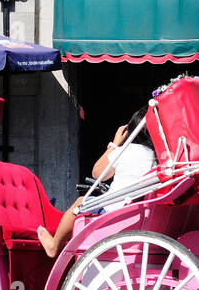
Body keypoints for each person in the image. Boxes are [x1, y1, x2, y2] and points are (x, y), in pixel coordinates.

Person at [37, 107, 157, 257]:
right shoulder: (158, 157)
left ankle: (54, 246)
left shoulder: (126, 150)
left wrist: (114, 144)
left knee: (81, 201)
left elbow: (97, 173)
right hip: (142, 215)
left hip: (116, 212)